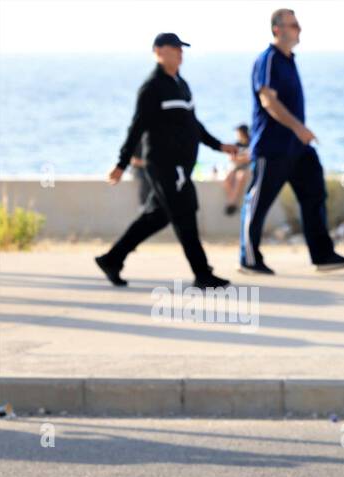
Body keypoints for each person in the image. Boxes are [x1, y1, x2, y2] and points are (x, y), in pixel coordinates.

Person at [95, 33, 238, 289]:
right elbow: (136, 128)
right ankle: (202, 273)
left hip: (181, 167)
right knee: (185, 214)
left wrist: (220, 146)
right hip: (163, 165)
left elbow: (193, 125)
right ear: (158, 51)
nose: (180, 53)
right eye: (175, 48)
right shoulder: (152, 87)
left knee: (158, 216)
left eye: (182, 49)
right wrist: (121, 164)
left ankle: (112, 258)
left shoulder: (180, 84)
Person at [238, 8, 344, 274]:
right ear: (277, 29)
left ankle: (323, 255)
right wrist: (299, 127)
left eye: (298, 25)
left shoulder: (290, 60)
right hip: (272, 147)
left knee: (315, 193)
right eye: (293, 25)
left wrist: (301, 134)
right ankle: (249, 259)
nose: (299, 29)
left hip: (298, 148)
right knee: (257, 203)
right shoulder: (268, 60)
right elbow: (268, 100)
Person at [223, 124, 252, 215]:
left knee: (240, 177)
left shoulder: (251, 143)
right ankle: (234, 203)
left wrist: (239, 158)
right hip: (237, 166)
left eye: (238, 132)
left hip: (247, 167)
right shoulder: (236, 144)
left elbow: (250, 158)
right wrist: (241, 158)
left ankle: (232, 204)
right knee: (227, 179)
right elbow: (231, 158)